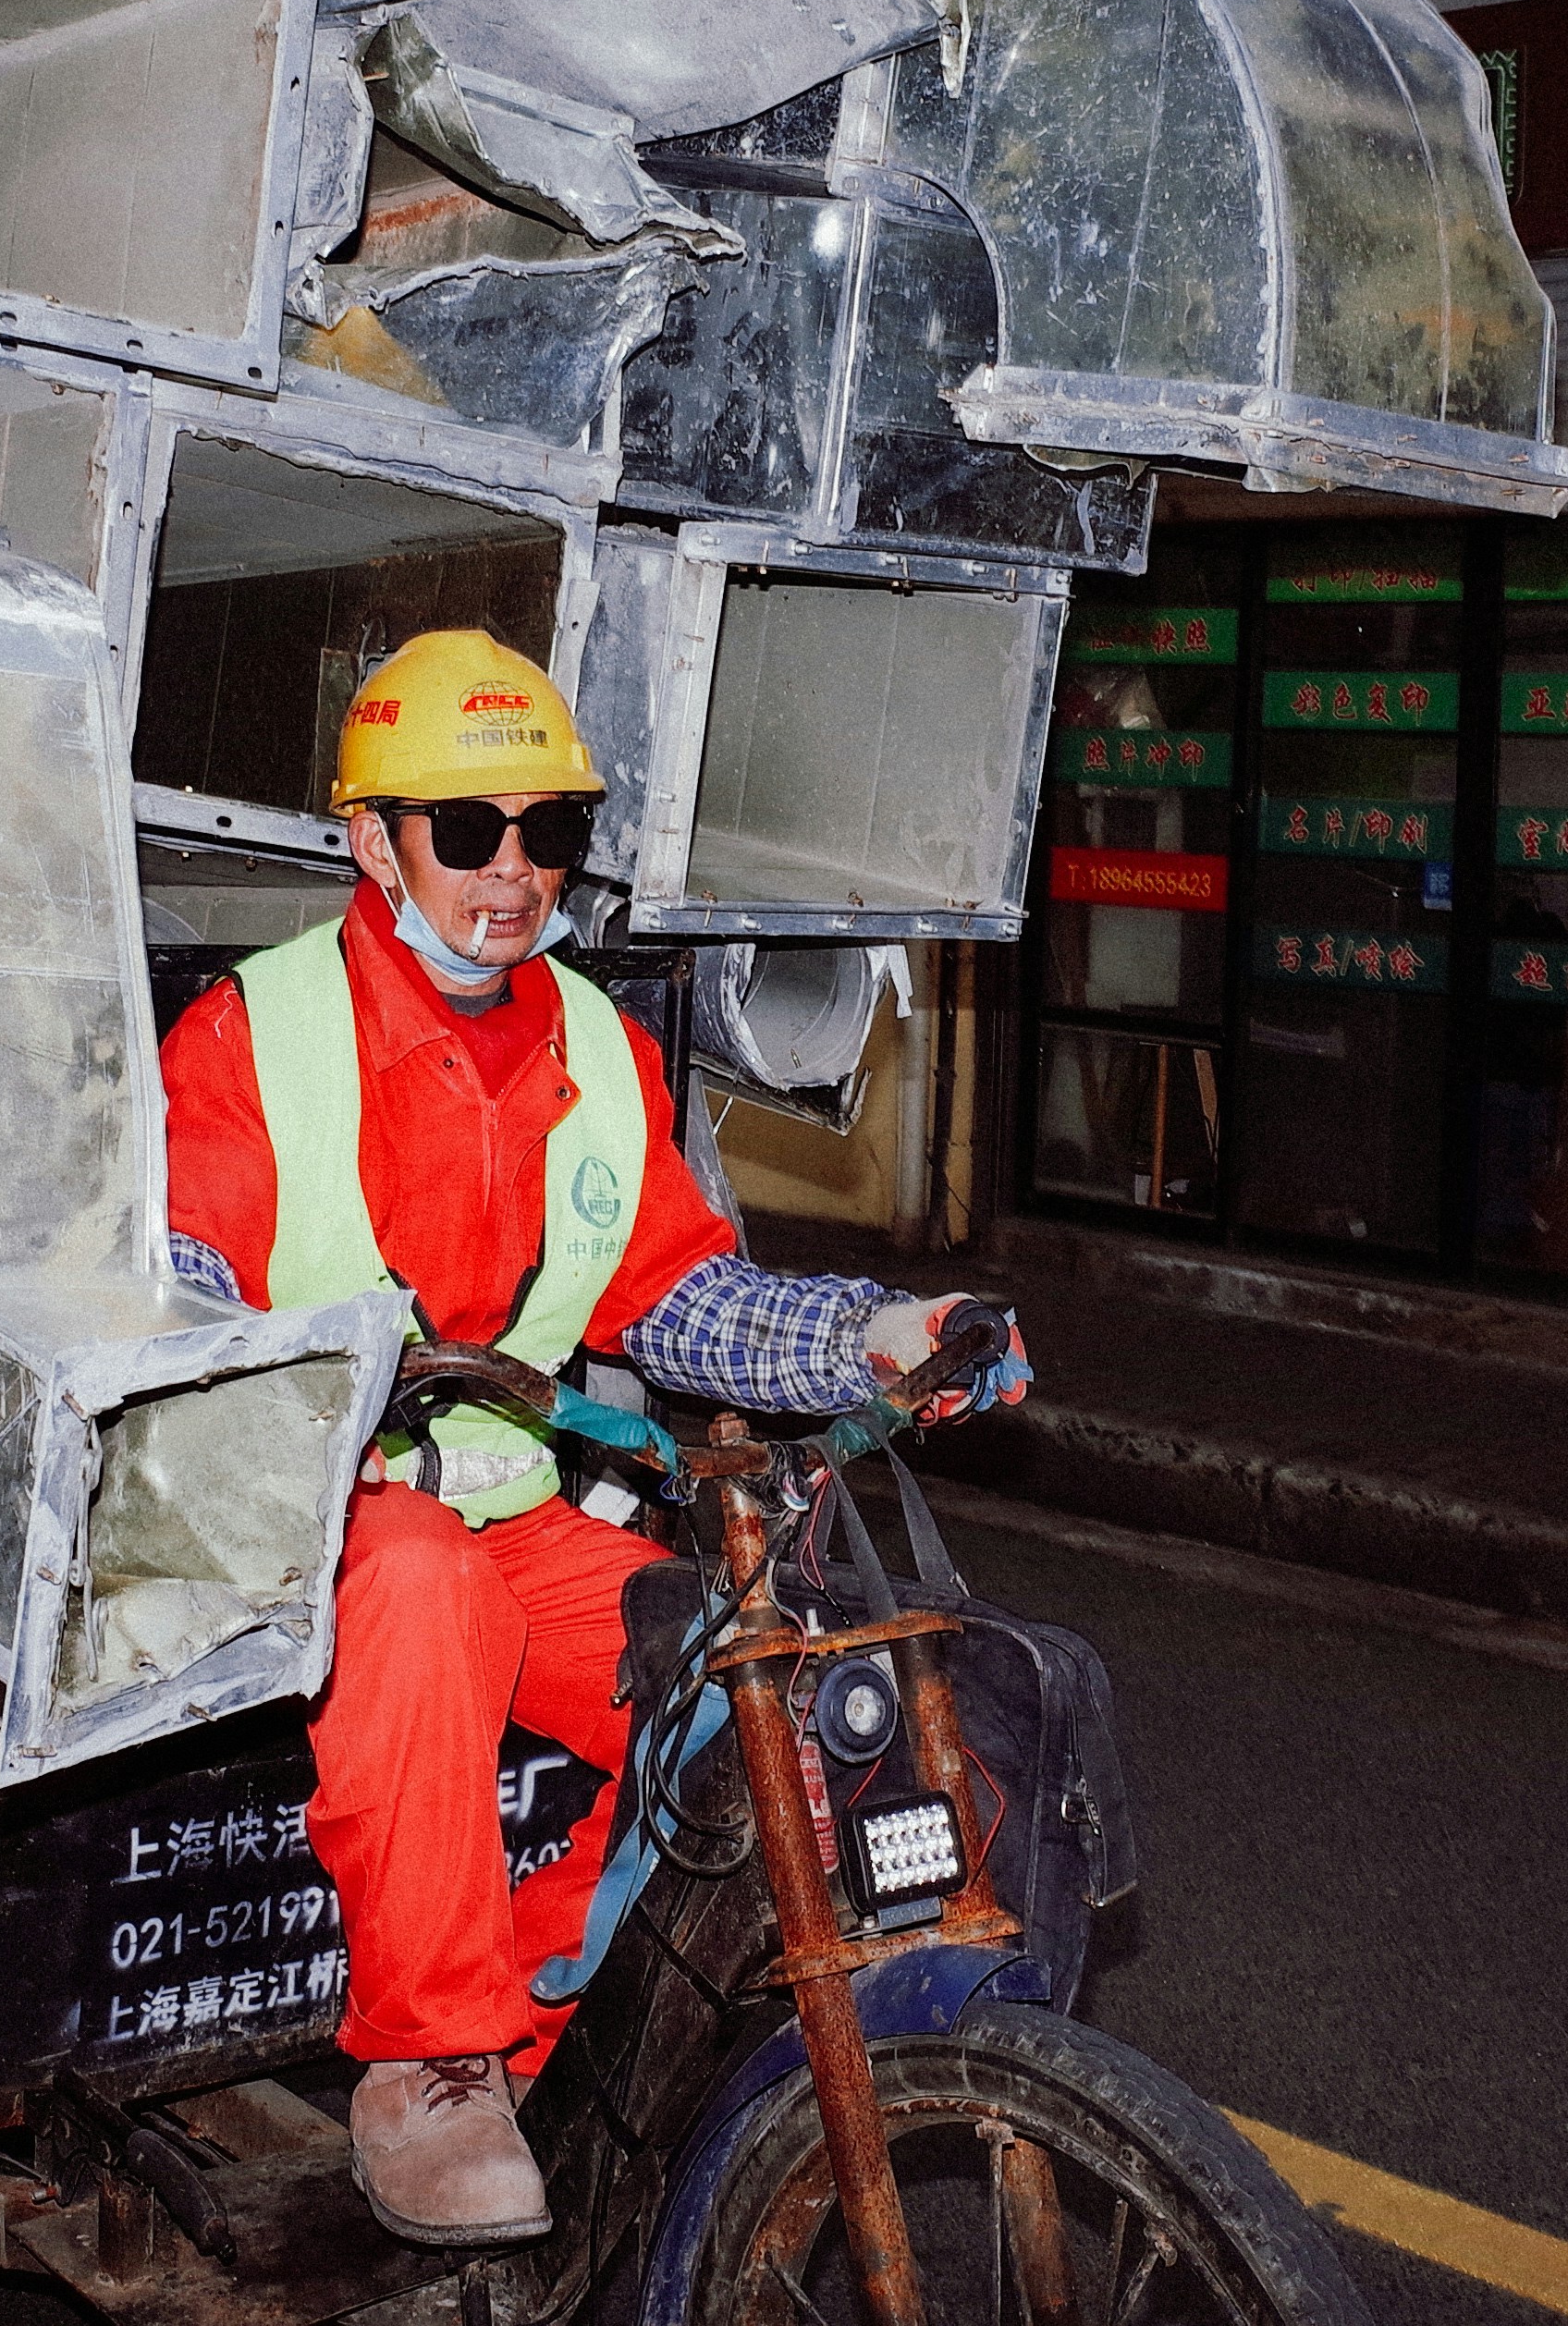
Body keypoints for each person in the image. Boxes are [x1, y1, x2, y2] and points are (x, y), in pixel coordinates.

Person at [154, 628, 1025, 2248]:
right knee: (423, 1588)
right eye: (467, 832)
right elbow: (182, 1282)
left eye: (545, 834)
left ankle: (546, 2021)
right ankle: (430, 2061)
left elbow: (683, 1298)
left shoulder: (598, 1049)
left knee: (763, 1690)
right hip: (308, 1521)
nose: (511, 875)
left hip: (527, 1519)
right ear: (374, 841)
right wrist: (298, 1370)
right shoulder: (252, 1033)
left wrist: (873, 1332)